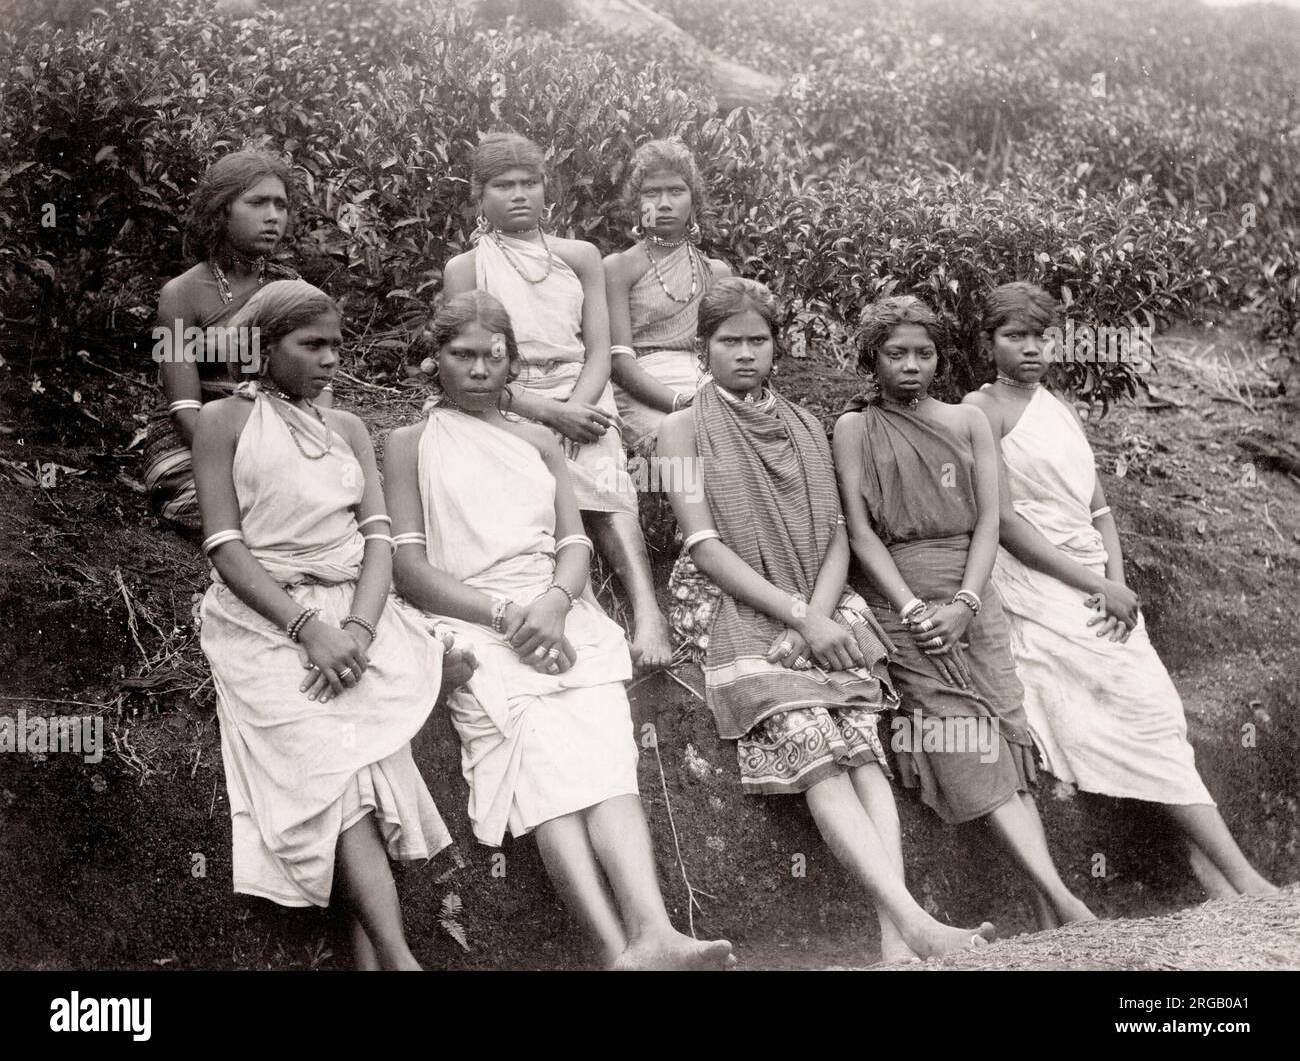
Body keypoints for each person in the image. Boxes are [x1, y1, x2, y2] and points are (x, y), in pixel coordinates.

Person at [384, 289, 735, 970]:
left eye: (494, 356)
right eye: (462, 356)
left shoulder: (540, 439)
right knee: (544, 772)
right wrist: (502, 615)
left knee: (606, 765)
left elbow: (574, 543)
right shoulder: (409, 444)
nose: (480, 369)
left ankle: (656, 932)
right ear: (434, 361)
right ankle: (613, 949)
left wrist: (551, 603)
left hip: (560, 615)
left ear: (513, 363)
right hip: (474, 623)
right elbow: (409, 568)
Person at [659, 277, 997, 961]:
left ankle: (892, 942)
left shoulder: (806, 425)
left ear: (777, 347)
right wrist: (795, 616)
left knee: (863, 750)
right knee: (812, 742)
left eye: (759, 340)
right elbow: (703, 545)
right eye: (730, 342)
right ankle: (917, 924)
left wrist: (815, 615)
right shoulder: (680, 430)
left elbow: (841, 532)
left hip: (816, 597)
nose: (746, 354)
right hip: (731, 603)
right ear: (704, 350)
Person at [964, 281, 1276, 899]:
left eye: (1041, 336)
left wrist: (1117, 583)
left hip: (1096, 580)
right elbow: (1006, 526)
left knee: (1156, 711)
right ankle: (1244, 878)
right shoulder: (982, 410)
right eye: (1014, 336)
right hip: (1039, 581)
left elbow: (1099, 510)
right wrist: (1091, 585)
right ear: (987, 343)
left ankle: (1213, 874)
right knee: (1135, 709)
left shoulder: (1060, 406)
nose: (1030, 349)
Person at [192, 280, 462, 970]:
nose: (329, 359)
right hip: (266, 616)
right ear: (263, 346)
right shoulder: (223, 422)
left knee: (364, 756)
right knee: (332, 764)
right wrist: (308, 628)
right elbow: (225, 545)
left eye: (336, 345)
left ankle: (381, 965)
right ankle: (400, 959)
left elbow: (379, 540)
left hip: (357, 606)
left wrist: (361, 632)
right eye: (310, 345)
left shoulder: (346, 429)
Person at [833, 295, 1094, 930]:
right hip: (906, 608)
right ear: (873, 358)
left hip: (976, 602)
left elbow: (987, 520)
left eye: (924, 353)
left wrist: (968, 602)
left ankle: (1045, 906)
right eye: (896, 354)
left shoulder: (967, 421)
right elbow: (861, 534)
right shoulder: (854, 428)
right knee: (965, 743)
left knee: (1005, 738)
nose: (911, 366)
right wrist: (914, 606)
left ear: (941, 356)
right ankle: (1066, 902)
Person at [441, 132, 674, 670]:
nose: (520, 194)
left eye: (531, 182)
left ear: (548, 190)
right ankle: (570, 605)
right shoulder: (466, 269)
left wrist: (576, 410)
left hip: (581, 390)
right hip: (502, 396)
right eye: (503, 185)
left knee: (605, 471)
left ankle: (646, 610)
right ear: (479, 197)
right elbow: (463, 363)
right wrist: (543, 412)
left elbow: (598, 351)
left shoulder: (580, 256)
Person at [144, 148, 325, 529]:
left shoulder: (292, 289)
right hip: (196, 442)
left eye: (281, 204)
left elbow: (318, 392)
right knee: (223, 501)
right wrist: (248, 459)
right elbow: (185, 409)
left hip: (276, 433)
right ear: (222, 209)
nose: (273, 216)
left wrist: (313, 447)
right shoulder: (180, 294)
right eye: (257, 202)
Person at [604, 138, 732, 456]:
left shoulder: (716, 272)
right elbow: (619, 362)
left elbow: (729, 349)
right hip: (644, 389)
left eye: (676, 191)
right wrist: (679, 402)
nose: (664, 203)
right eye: (651, 192)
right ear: (637, 203)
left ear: (693, 201)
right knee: (683, 444)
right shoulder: (619, 267)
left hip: (706, 384)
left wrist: (713, 396)